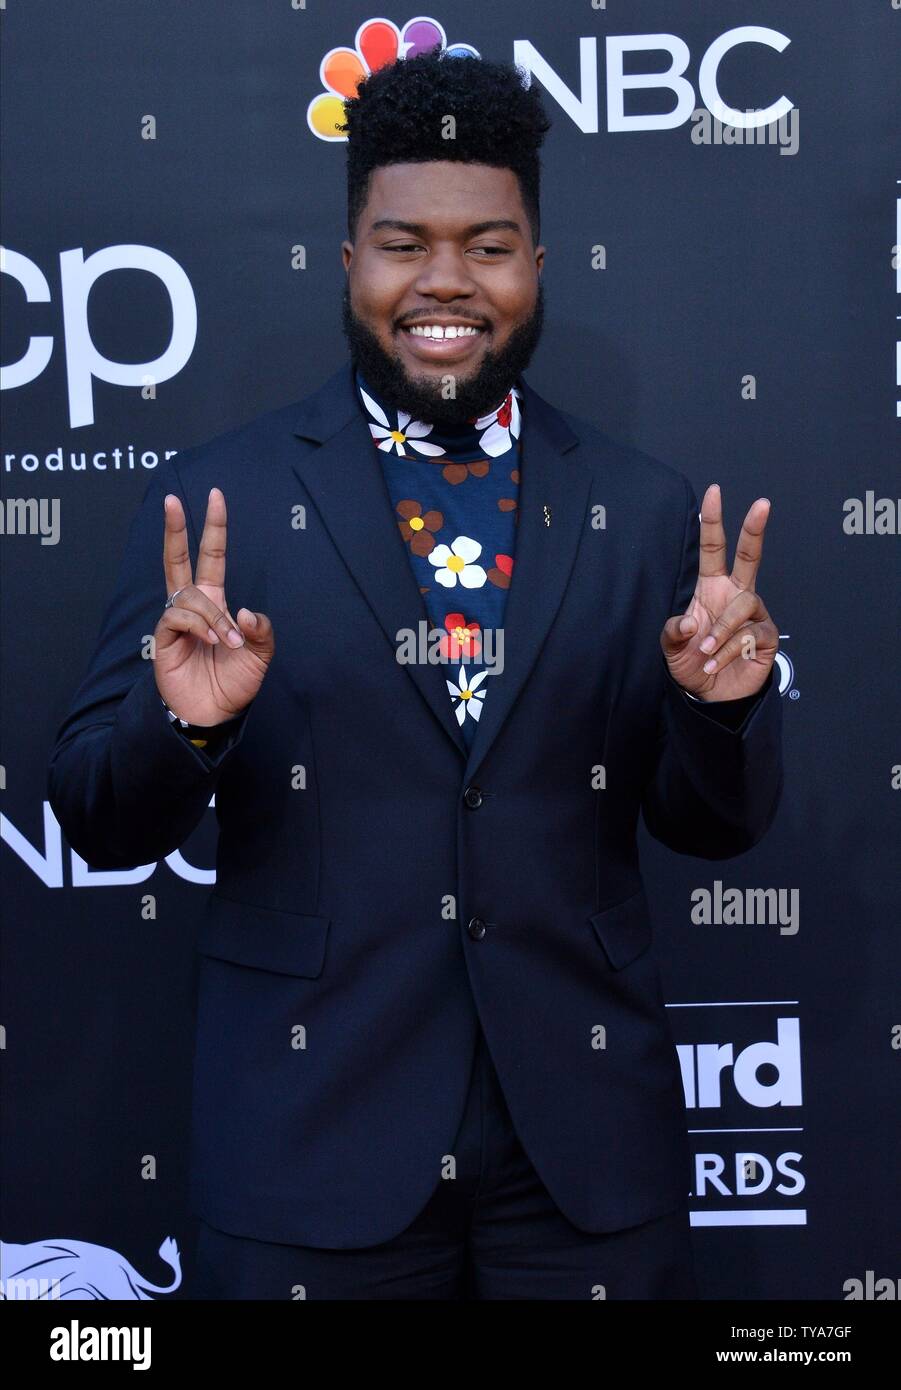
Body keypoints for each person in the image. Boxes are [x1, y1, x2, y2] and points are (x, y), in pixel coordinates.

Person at [47, 49, 783, 1300]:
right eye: (405, 243)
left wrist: (719, 710)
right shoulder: (221, 505)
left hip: (585, 1162)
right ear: (349, 265)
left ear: (536, 269)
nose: (446, 282)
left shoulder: (644, 510)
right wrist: (183, 728)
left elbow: (710, 828)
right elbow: (98, 817)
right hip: (309, 1145)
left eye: (488, 245)